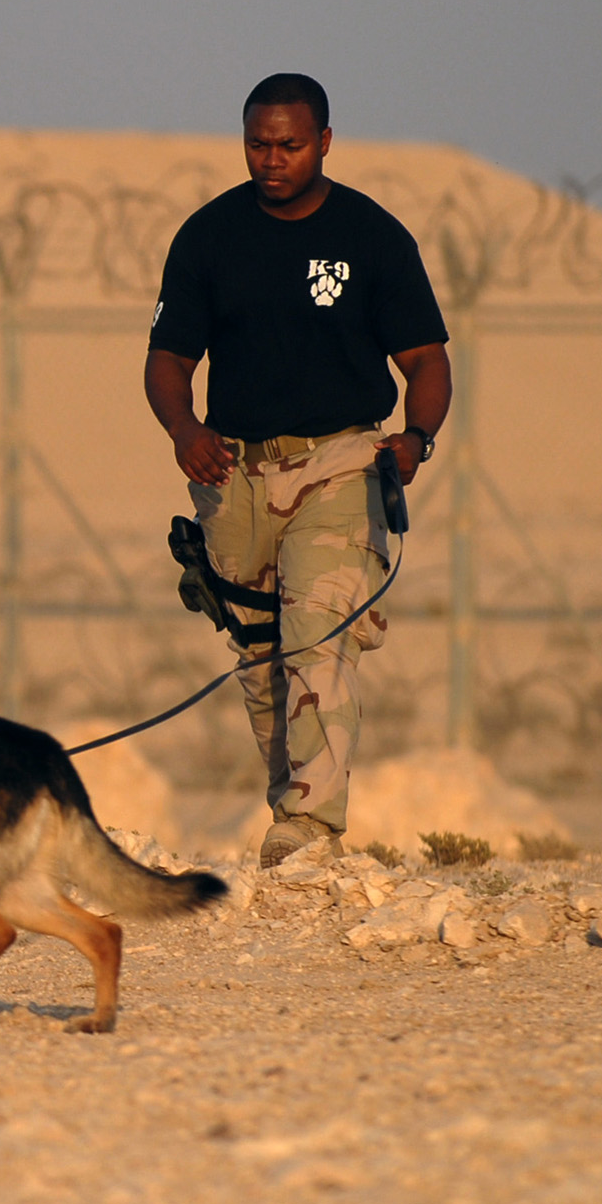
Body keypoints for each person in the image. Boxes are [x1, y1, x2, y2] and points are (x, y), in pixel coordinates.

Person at [144, 73, 452, 869]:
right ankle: (289, 810)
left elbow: (426, 360)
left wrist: (416, 436)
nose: (271, 160)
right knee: (259, 652)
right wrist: (184, 428)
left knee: (318, 627)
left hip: (342, 463)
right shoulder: (209, 237)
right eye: (257, 144)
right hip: (234, 475)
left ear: (322, 142)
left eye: (288, 144)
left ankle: (311, 826)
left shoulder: (373, 237)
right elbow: (169, 357)